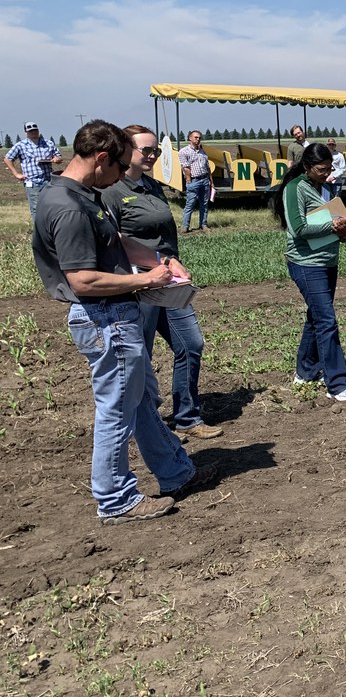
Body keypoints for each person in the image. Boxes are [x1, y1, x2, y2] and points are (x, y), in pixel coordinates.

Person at [32, 119, 215, 525]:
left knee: (142, 401)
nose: (119, 175)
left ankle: (175, 471)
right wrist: (145, 279)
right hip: (104, 318)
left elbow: (115, 242)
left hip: (115, 317)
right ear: (101, 159)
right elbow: (83, 278)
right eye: (117, 166)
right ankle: (115, 498)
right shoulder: (69, 206)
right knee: (116, 409)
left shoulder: (82, 195)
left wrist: (160, 260)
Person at [103, 125, 223, 441]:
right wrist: (152, 265)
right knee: (138, 356)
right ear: (125, 150)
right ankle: (146, 426)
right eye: (147, 150)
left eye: (156, 150)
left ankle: (187, 417)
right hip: (138, 286)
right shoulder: (111, 192)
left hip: (169, 283)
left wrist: (169, 261)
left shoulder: (153, 186)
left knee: (190, 344)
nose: (154, 155)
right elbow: (111, 241)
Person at [269, 142, 346, 401]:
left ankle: (306, 371)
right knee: (327, 320)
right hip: (307, 264)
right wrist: (333, 225)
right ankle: (337, 383)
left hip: (327, 261)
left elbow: (331, 226)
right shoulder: (295, 188)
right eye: (321, 169)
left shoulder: (322, 186)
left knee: (316, 317)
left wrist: (344, 230)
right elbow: (298, 228)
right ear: (307, 167)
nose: (326, 172)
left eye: (329, 168)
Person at [6, 121, 62, 219]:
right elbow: (8, 159)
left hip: (48, 180)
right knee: (36, 208)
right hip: (32, 182)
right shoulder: (21, 145)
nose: (33, 132)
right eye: (30, 131)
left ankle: (50, 230)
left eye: (35, 130)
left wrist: (57, 159)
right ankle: (39, 232)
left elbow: (58, 156)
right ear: (26, 133)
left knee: (51, 207)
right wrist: (16, 174)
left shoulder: (48, 143)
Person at [177, 130, 212, 232]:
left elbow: (207, 167)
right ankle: (185, 226)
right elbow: (186, 166)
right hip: (194, 180)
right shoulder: (184, 152)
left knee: (204, 204)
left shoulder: (202, 151)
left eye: (199, 138)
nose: (198, 139)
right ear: (190, 138)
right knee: (190, 203)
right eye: (196, 137)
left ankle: (203, 225)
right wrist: (188, 179)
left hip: (204, 179)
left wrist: (211, 181)